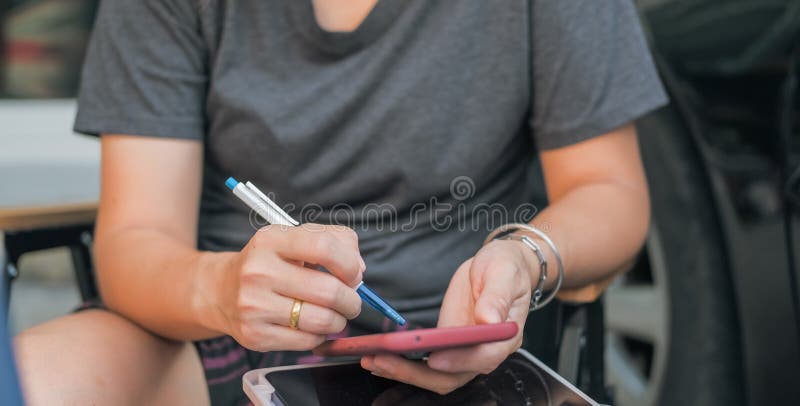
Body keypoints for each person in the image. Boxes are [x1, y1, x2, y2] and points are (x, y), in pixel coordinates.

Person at [14, 0, 667, 404]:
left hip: (440, 350)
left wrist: (525, 256)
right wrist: (222, 288)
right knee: (33, 380)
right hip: (209, 330)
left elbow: (609, 192)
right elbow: (135, 242)